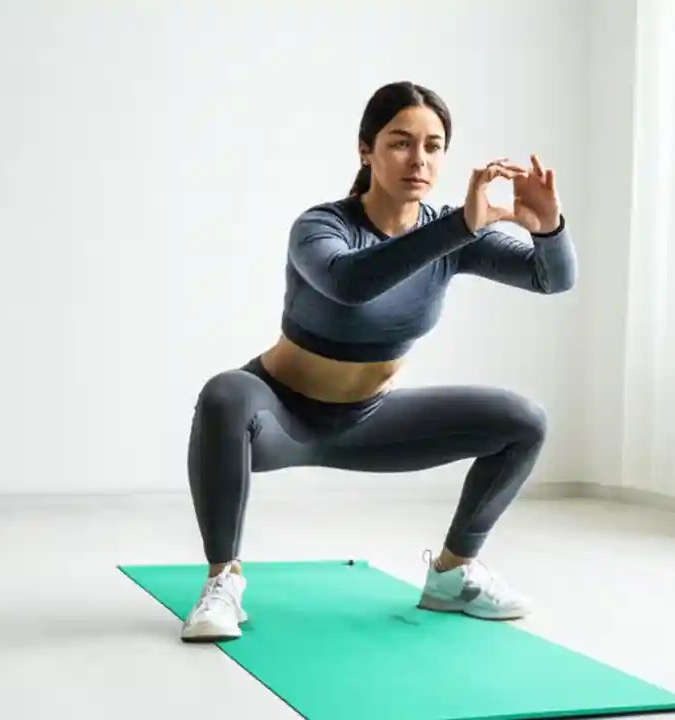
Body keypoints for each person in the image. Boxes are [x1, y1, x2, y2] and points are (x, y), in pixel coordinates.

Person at [179, 80, 578, 642]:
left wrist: (548, 229)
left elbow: (551, 279)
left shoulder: (452, 235)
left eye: (434, 145)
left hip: (368, 422)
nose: (419, 159)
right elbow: (352, 284)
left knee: (523, 420)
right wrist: (460, 224)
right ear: (366, 150)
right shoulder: (321, 227)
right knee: (224, 391)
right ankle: (223, 583)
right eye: (400, 142)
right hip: (278, 420)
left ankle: (453, 573)